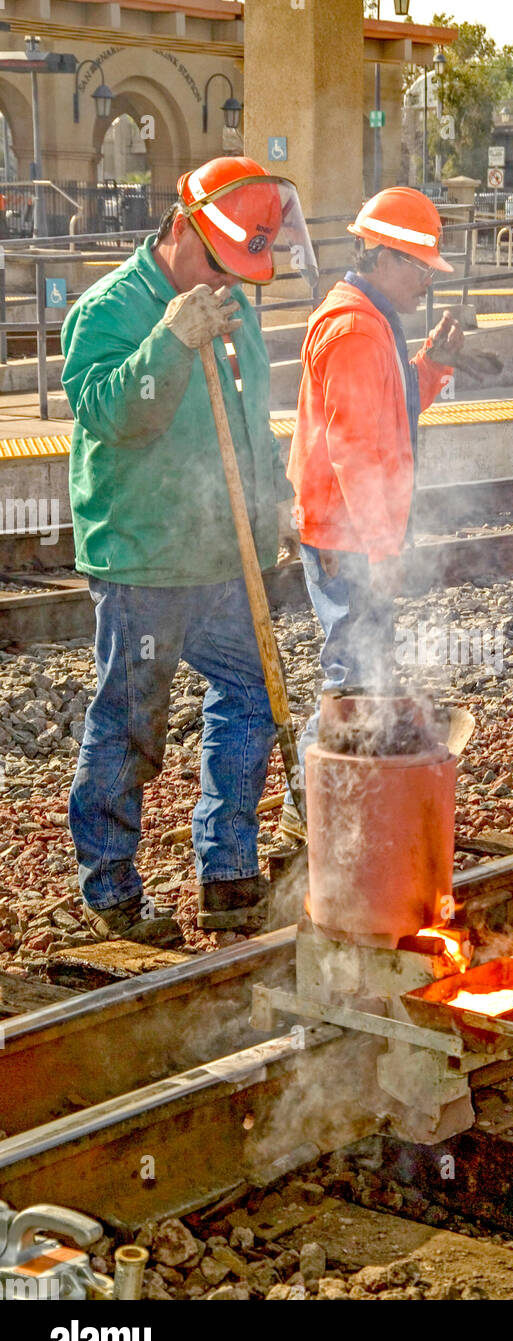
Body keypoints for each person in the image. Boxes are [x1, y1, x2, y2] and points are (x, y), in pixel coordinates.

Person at [61, 156, 315, 941]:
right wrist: (170, 343)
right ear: (179, 229)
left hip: (222, 555)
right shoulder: (109, 311)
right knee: (130, 721)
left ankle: (227, 871)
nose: (226, 280)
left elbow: (248, 418)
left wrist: (274, 497)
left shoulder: (231, 303)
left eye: (238, 268)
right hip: (142, 558)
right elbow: (111, 416)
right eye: (215, 261)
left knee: (251, 700)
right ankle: (111, 891)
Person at [279, 186, 461, 844]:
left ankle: (336, 800)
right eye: (420, 267)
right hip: (347, 534)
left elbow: (386, 412)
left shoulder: (367, 318)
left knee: (362, 663)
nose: (425, 283)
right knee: (351, 673)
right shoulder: (356, 326)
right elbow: (357, 452)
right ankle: (312, 804)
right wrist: (382, 553)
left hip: (349, 530)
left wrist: (433, 367)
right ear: (385, 258)